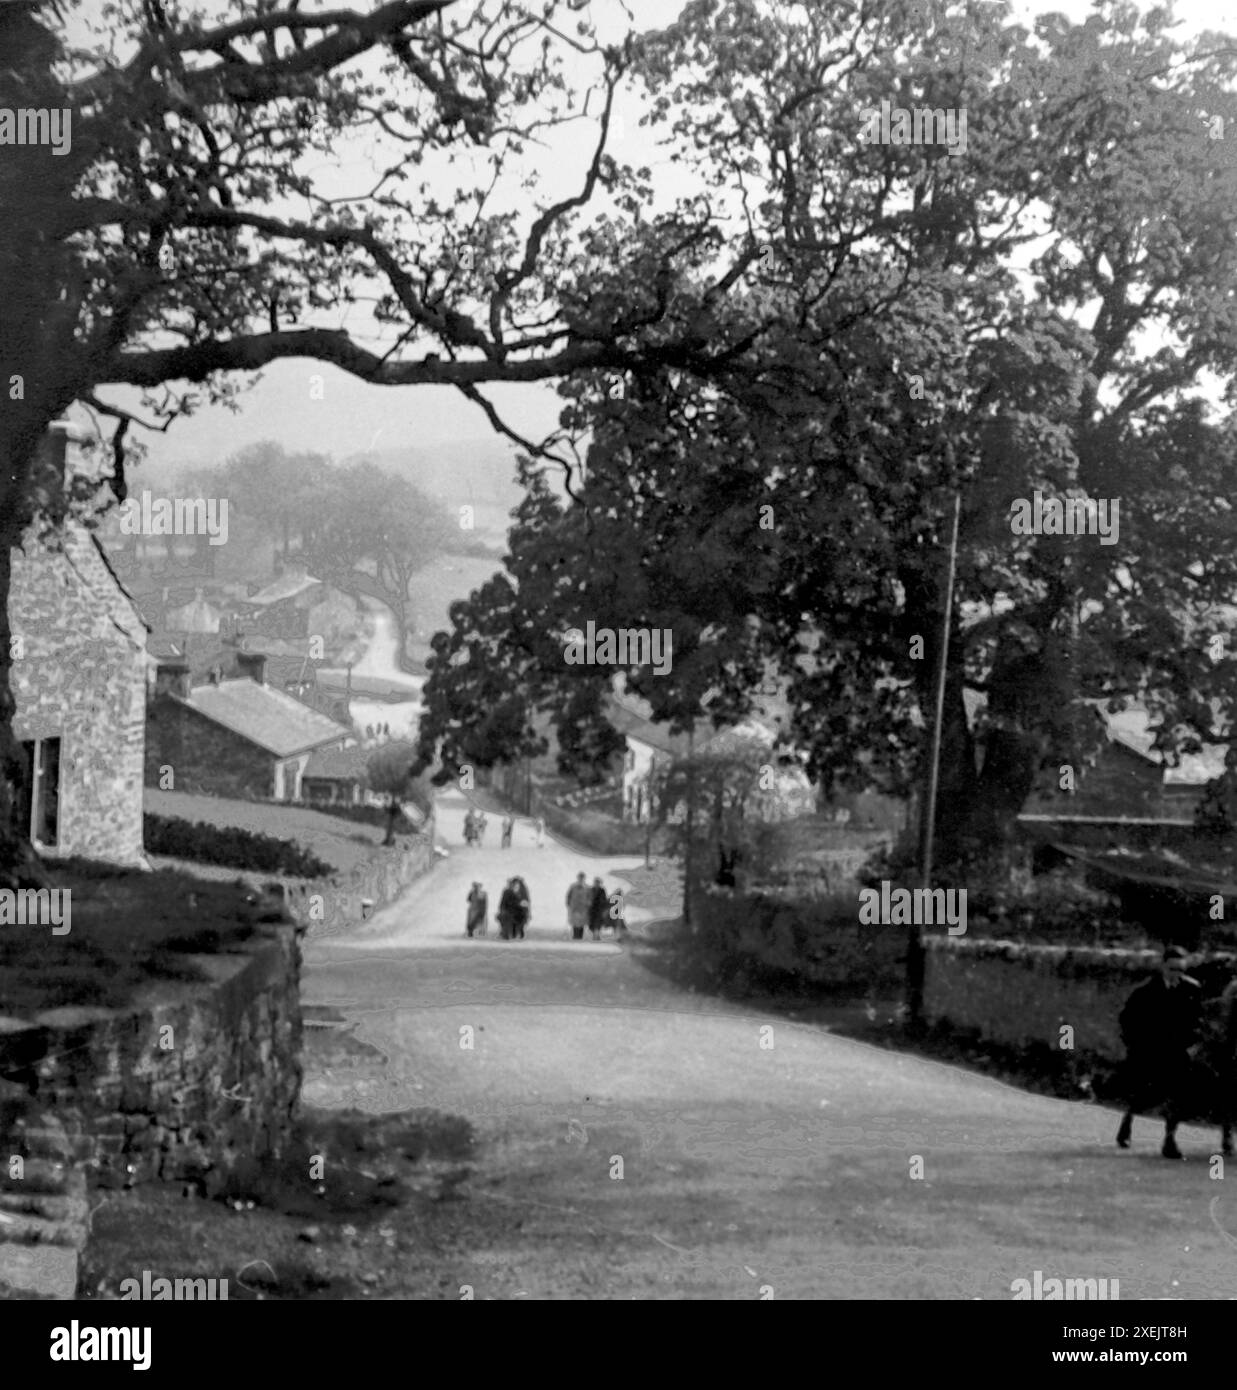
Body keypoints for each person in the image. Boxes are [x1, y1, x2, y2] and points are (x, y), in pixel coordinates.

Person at [1116, 944, 1203, 1159]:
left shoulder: (1192, 989)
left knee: (1178, 1095)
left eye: (1181, 970)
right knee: (1143, 1094)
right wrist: (1136, 1046)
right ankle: (1127, 1121)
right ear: (1163, 967)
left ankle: (1169, 1139)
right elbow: (1127, 1020)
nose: (1176, 975)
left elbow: (1199, 1020)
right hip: (1150, 1051)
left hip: (1178, 1051)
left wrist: (1194, 1044)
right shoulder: (1145, 991)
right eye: (1172, 969)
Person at [566, 871, 591, 941]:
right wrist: (569, 905)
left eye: (582, 878)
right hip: (574, 908)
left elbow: (590, 897)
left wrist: (588, 904)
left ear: (584, 878)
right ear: (578, 878)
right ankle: (575, 937)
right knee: (575, 923)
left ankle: (580, 938)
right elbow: (568, 896)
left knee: (581, 924)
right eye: (580, 877)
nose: (581, 879)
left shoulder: (587, 888)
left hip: (583, 909)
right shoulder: (573, 887)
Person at [587, 876, 608, 942]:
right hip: (592, 910)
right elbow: (588, 898)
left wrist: (604, 908)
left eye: (598, 882)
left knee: (598, 923)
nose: (597, 883)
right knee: (592, 923)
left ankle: (597, 935)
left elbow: (604, 900)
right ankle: (594, 935)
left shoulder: (602, 890)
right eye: (596, 882)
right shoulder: (591, 890)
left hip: (599, 909)